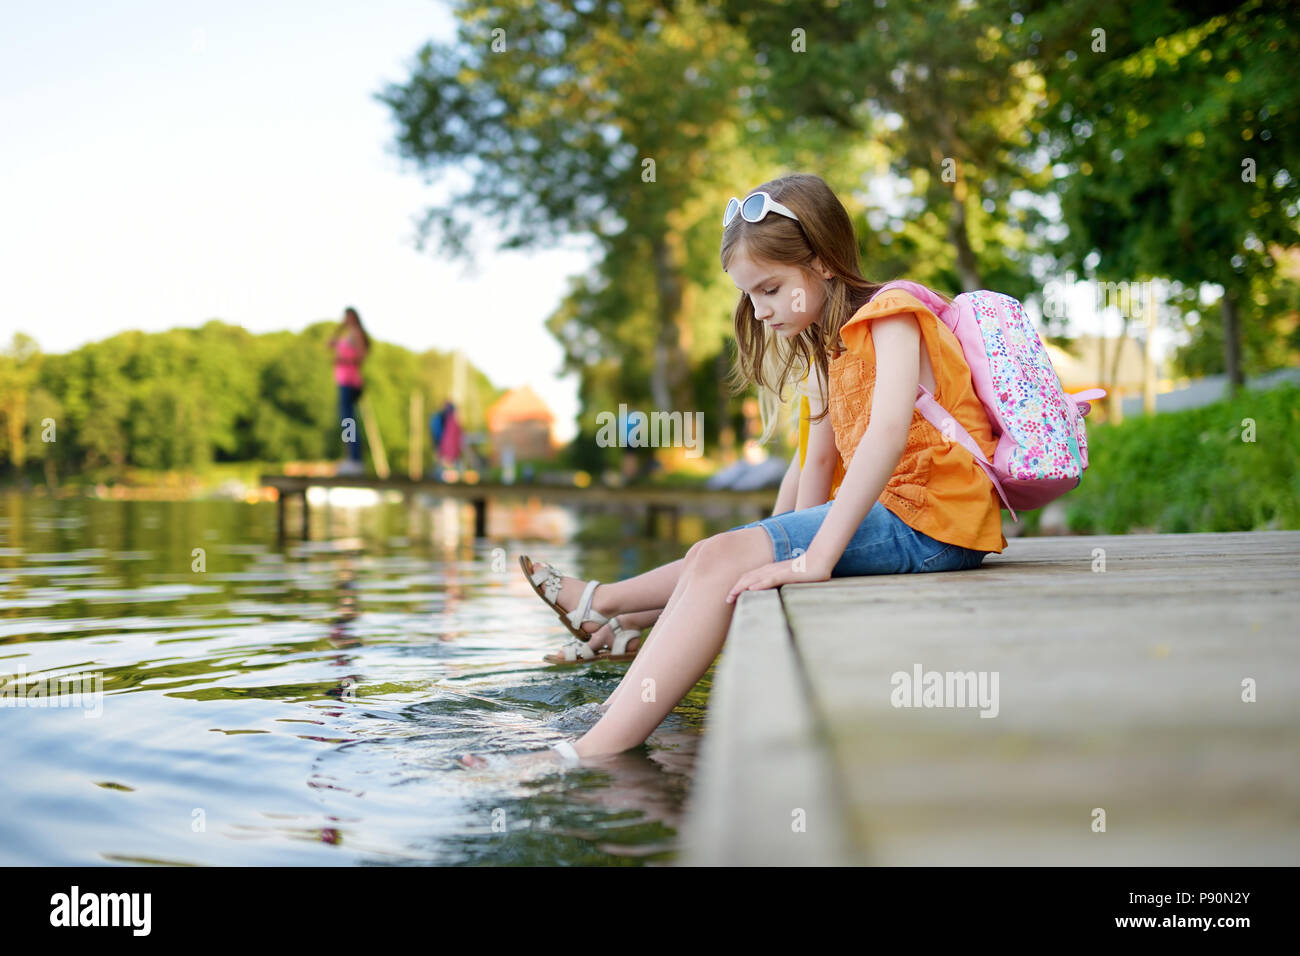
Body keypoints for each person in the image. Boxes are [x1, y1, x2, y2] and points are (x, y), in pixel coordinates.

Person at [463, 172, 1008, 770]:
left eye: (770, 289)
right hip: (906, 520)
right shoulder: (833, 347)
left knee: (720, 557)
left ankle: (588, 748)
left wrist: (812, 558)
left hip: (933, 523)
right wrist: (768, 546)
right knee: (713, 556)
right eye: (750, 295)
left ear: (824, 262)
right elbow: (814, 460)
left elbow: (883, 438)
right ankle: (615, 668)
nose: (760, 309)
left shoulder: (893, 315)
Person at [329, 307, 369, 476]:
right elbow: (329, 342)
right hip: (344, 382)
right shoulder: (347, 333)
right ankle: (351, 457)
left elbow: (361, 355)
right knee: (346, 421)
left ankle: (354, 459)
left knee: (349, 421)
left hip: (350, 382)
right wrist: (340, 328)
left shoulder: (356, 333)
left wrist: (342, 359)